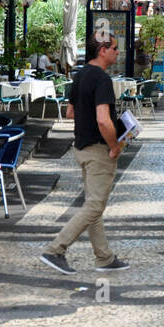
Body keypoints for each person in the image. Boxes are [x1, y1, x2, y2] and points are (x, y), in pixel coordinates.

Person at [38, 36, 129, 274]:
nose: (117, 53)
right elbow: (103, 120)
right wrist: (114, 145)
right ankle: (55, 249)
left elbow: (70, 113)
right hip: (98, 150)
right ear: (102, 51)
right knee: (95, 206)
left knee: (93, 205)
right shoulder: (102, 79)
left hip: (81, 147)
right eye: (114, 49)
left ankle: (104, 257)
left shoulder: (80, 76)